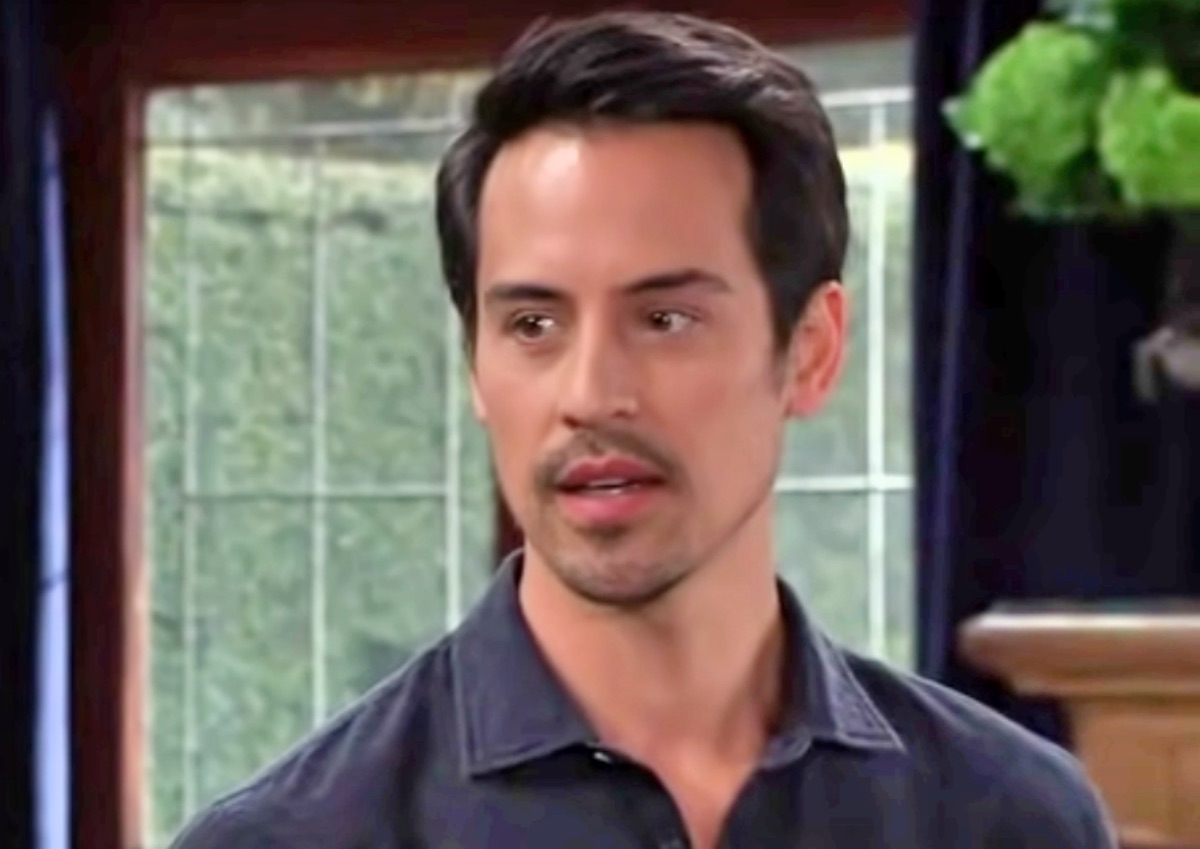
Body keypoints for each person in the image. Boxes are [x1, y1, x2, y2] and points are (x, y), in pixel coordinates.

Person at [172, 11, 1117, 849]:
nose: (590, 392)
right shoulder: (292, 838)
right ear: (475, 365)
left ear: (811, 348)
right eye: (532, 325)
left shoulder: (1009, 818)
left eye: (664, 319)